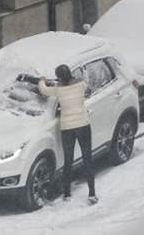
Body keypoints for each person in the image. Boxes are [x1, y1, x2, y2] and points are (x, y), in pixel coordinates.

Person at [38, 65, 98, 205]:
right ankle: (92, 194)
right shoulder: (81, 85)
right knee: (87, 159)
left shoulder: (58, 90)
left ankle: (67, 193)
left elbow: (43, 89)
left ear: (59, 77)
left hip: (67, 128)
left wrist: (42, 80)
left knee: (68, 161)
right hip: (83, 125)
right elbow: (88, 83)